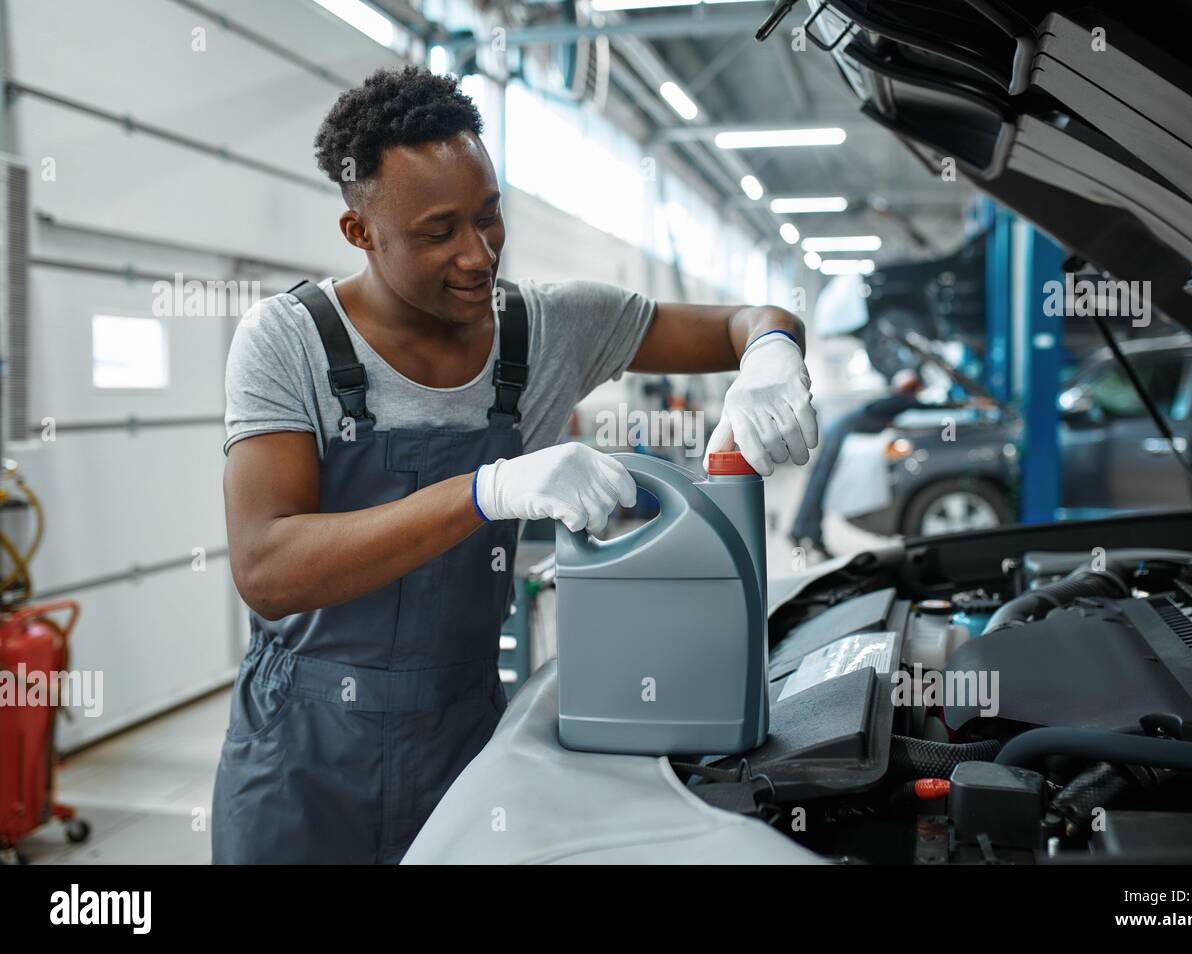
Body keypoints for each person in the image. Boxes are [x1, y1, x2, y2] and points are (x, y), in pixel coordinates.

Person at [213, 67, 818, 864]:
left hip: (462, 733)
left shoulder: (551, 328)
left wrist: (773, 353)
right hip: (302, 751)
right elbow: (269, 567)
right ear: (360, 233)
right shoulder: (288, 342)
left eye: (489, 218)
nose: (477, 256)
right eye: (437, 233)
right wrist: (486, 490)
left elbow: (747, 319)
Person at [789, 368, 974, 554]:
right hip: (842, 430)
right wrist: (964, 405)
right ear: (913, 387)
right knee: (820, 482)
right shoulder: (902, 399)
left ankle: (809, 532)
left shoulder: (894, 400)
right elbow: (929, 407)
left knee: (820, 482)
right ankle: (803, 531)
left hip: (840, 427)